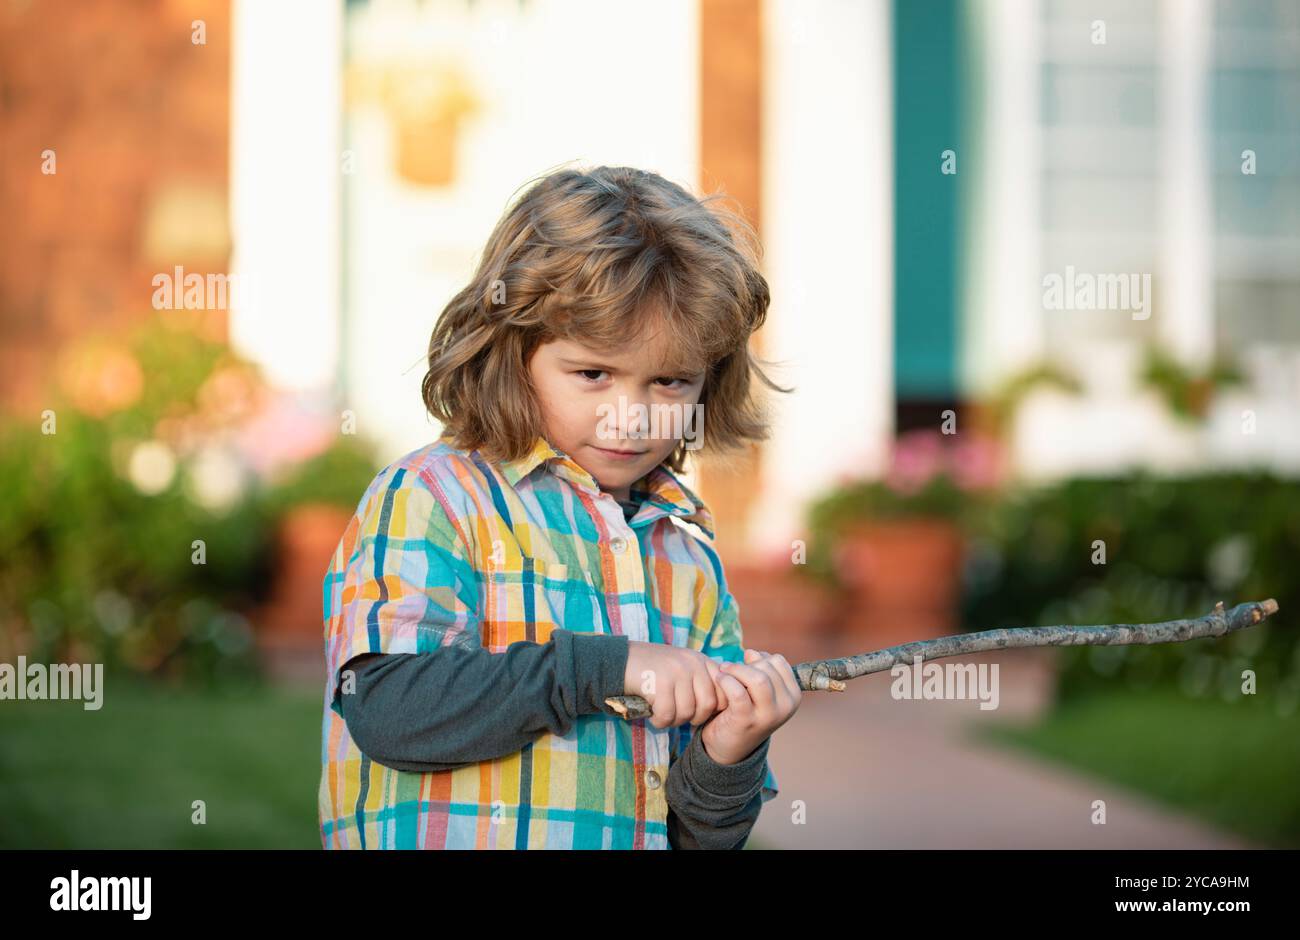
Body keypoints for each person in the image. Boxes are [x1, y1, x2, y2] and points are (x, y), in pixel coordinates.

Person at [318, 165, 800, 850]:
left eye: (669, 381)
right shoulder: (435, 497)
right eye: (593, 374)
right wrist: (606, 667)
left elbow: (695, 837)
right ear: (514, 353)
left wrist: (729, 752)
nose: (630, 417)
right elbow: (390, 712)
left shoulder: (685, 555)